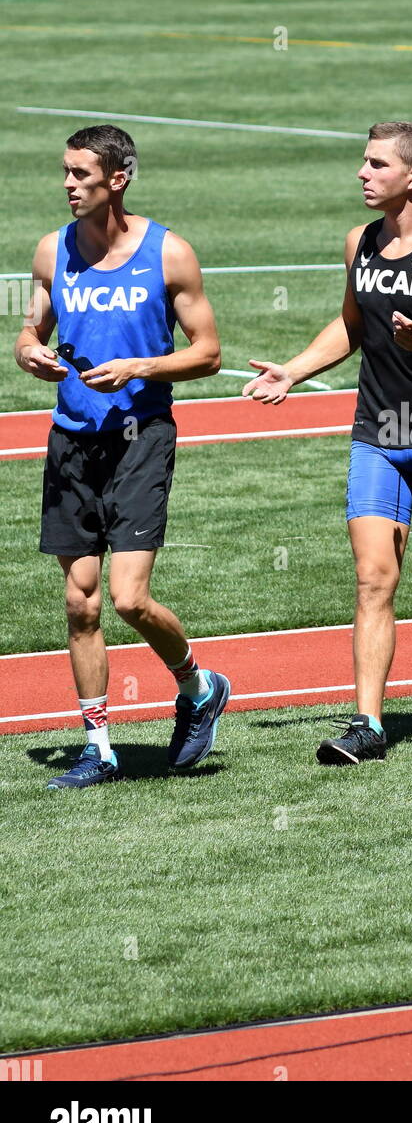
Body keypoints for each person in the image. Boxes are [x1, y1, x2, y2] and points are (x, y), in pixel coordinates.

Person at [244, 121, 412, 763]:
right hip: (380, 430)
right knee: (373, 579)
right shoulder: (359, 242)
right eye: (364, 162)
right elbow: (352, 324)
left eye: (376, 164)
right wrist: (293, 371)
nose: (363, 174)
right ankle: (367, 723)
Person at [14, 125, 230, 788]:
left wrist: (140, 365)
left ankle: (198, 685)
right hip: (71, 441)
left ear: (118, 178)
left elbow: (208, 352)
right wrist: (29, 353)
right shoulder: (52, 250)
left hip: (141, 438)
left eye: (80, 173)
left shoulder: (169, 253)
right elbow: (31, 328)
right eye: (65, 171)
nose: (68, 183)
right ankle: (98, 748)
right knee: (80, 605)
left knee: (129, 598)